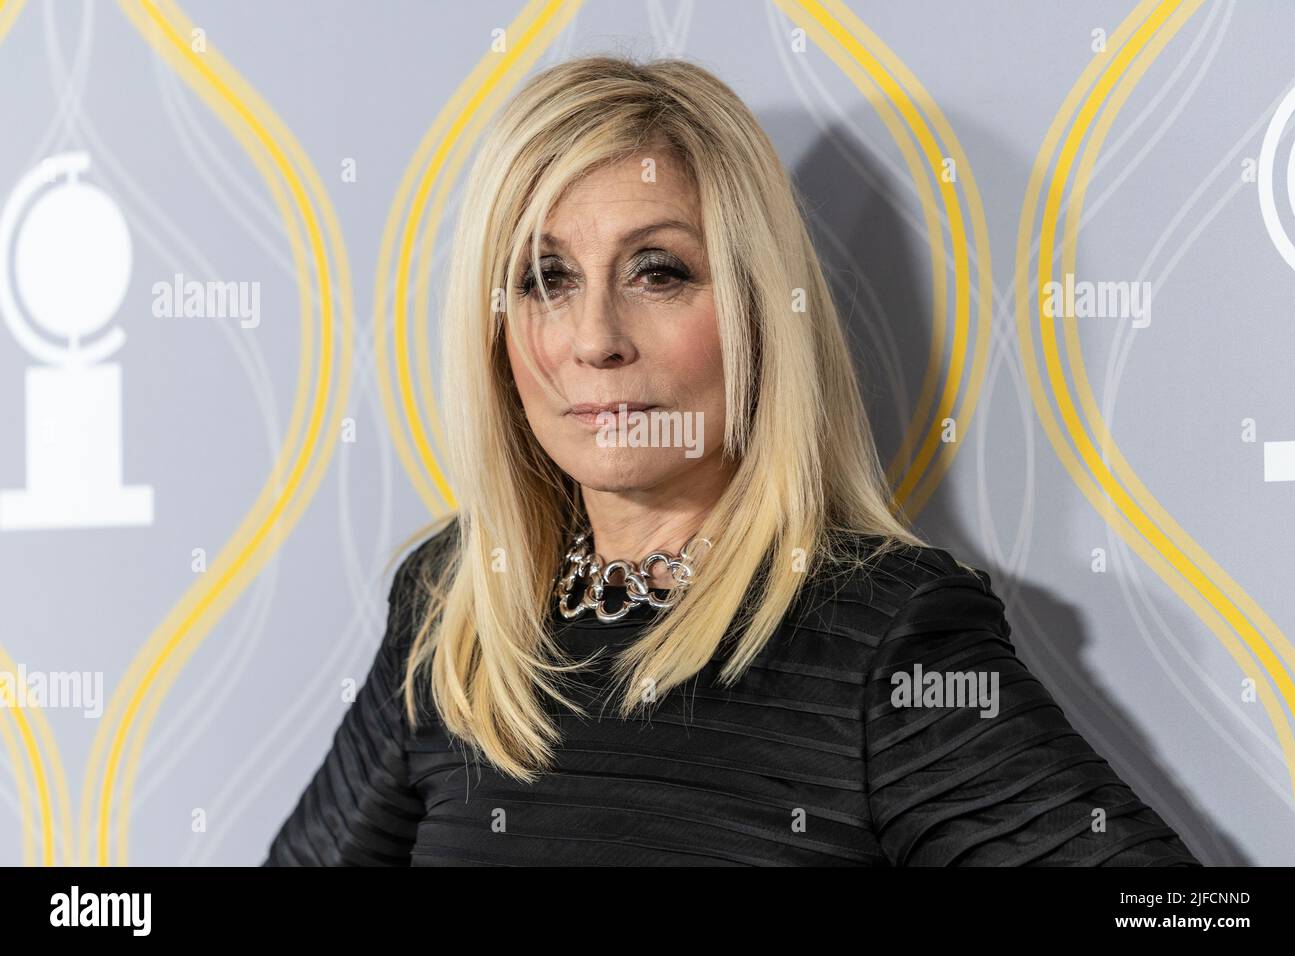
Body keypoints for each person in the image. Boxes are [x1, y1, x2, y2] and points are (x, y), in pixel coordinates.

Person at [263, 55, 1201, 866]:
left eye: (657, 272)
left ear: (759, 314)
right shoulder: (456, 603)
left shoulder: (881, 633)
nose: (594, 339)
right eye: (546, 279)